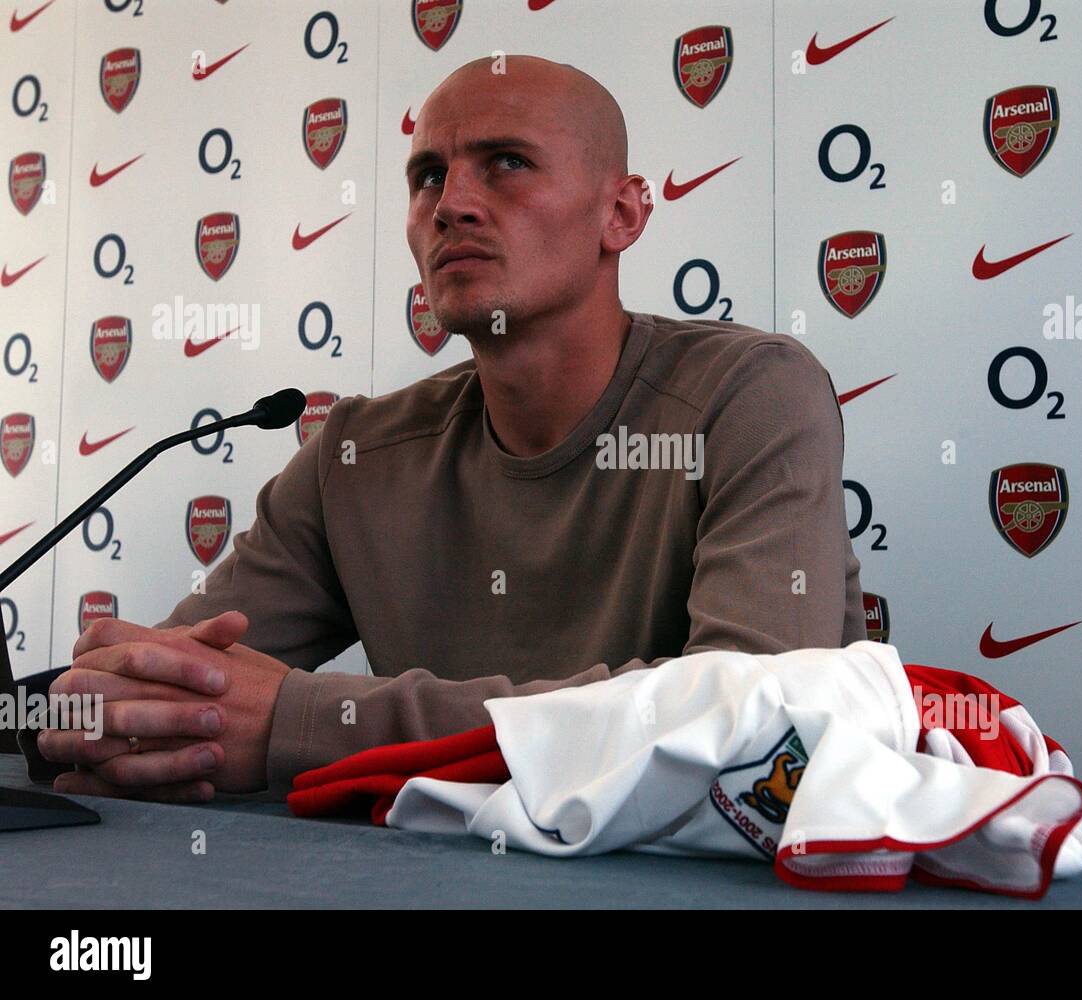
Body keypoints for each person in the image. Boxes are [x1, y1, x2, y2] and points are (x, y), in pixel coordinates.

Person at [33, 54, 865, 802]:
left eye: (506, 164)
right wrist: (113, 708)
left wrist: (308, 723)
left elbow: (755, 721)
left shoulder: (755, 395)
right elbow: (183, 684)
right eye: (427, 176)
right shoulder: (355, 455)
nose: (451, 205)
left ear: (621, 215)